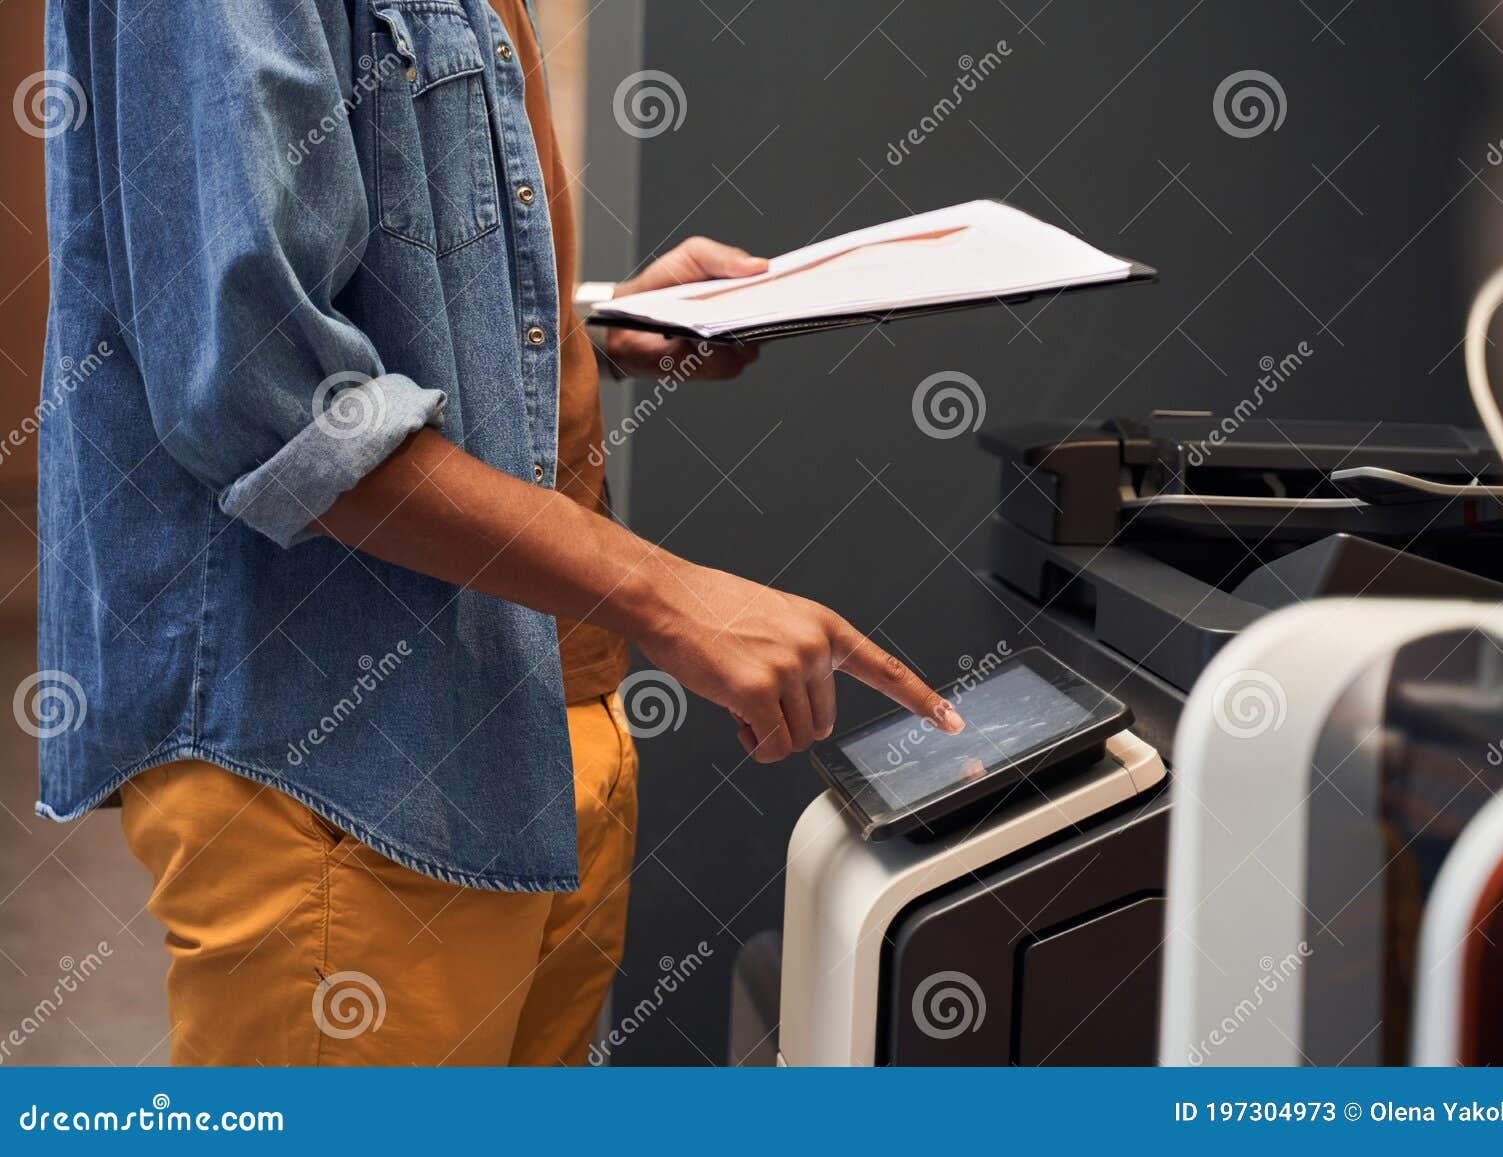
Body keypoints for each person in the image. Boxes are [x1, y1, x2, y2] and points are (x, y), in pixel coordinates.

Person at [35, 0, 961, 1066]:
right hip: (353, 759)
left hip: (542, 710)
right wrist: (670, 594)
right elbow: (264, 396)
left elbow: (366, 260)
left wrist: (587, 325)